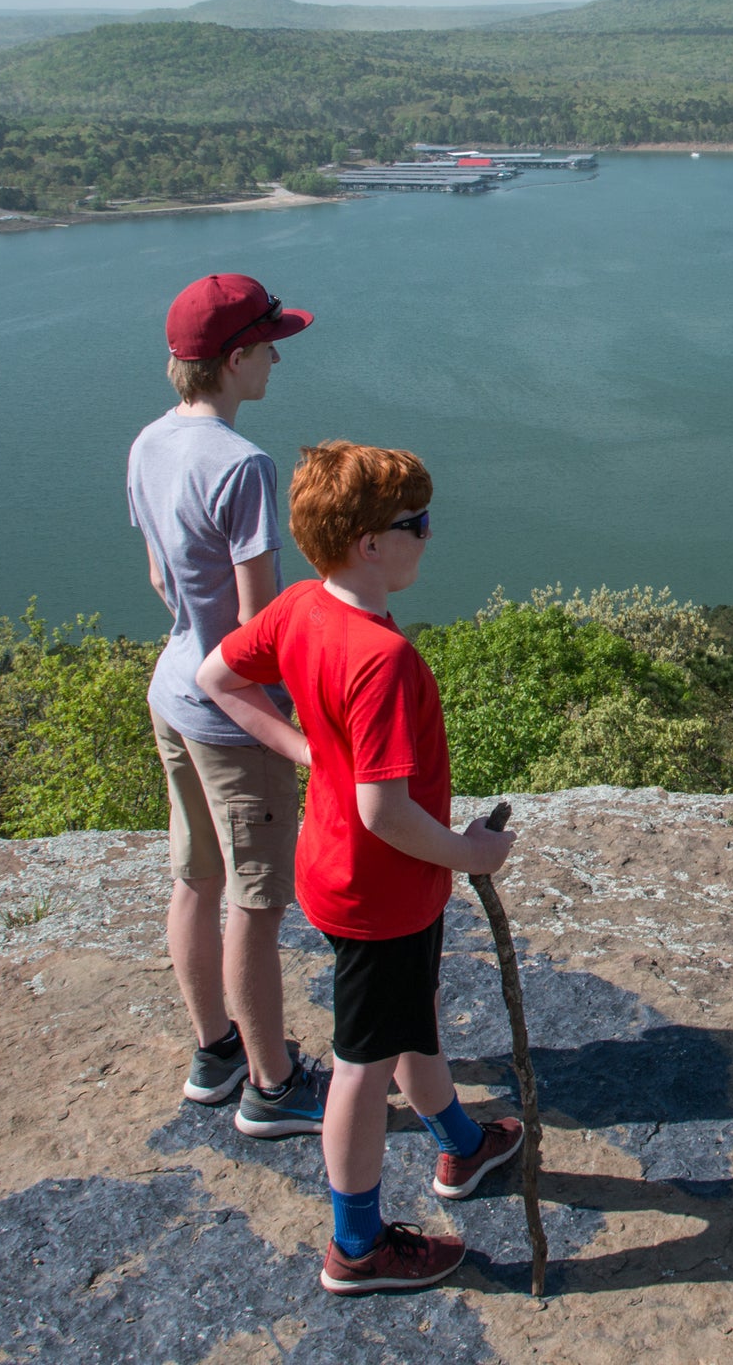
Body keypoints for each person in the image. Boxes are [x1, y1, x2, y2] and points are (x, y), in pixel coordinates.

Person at [197, 440, 523, 1296]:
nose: (429, 534)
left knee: (405, 1019)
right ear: (370, 544)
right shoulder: (383, 661)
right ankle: (357, 1246)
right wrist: (473, 853)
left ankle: (459, 1145)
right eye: (416, 522)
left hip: (338, 869)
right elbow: (387, 811)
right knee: (360, 1065)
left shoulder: (303, 606)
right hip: (380, 888)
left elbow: (215, 676)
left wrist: (306, 751)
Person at [127, 272, 330, 1139]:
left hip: (171, 689)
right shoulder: (245, 466)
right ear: (235, 357)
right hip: (231, 716)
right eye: (269, 344)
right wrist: (303, 722)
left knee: (193, 877)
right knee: (257, 898)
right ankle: (272, 1086)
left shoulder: (148, 442)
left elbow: (156, 577)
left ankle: (214, 1051)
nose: (279, 357)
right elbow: (258, 625)